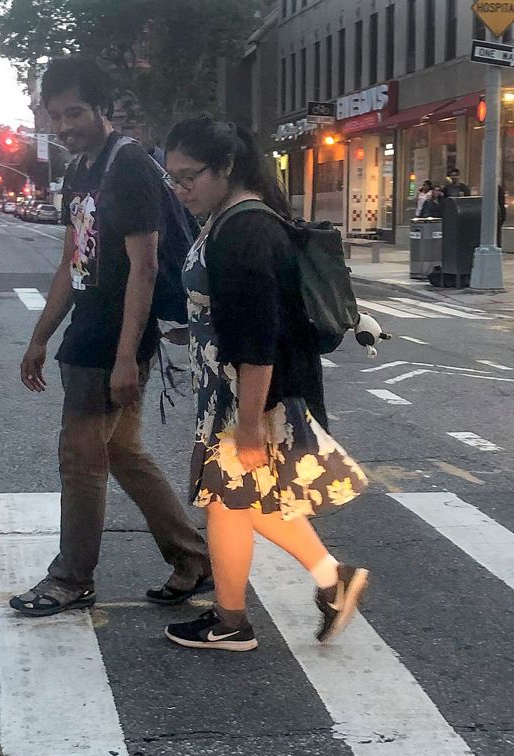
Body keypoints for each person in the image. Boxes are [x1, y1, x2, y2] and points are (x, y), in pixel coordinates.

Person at [159, 114, 370, 652]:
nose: (180, 189)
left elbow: (257, 339)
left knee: (228, 501)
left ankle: (232, 621)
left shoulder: (246, 228)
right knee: (234, 501)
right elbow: (237, 313)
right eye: (173, 178)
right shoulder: (230, 217)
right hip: (230, 392)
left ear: (226, 167)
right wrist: (199, 329)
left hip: (246, 398)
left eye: (189, 176)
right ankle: (325, 580)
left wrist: (250, 427)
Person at [12, 56, 212, 617]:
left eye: (73, 112)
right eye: (54, 116)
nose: (63, 125)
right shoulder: (80, 170)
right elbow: (72, 260)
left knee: (80, 458)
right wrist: (39, 336)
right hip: (88, 328)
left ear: (102, 108)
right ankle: (192, 557)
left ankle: (71, 578)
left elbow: (144, 267)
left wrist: (129, 356)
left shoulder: (128, 167)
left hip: (112, 337)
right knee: (122, 452)